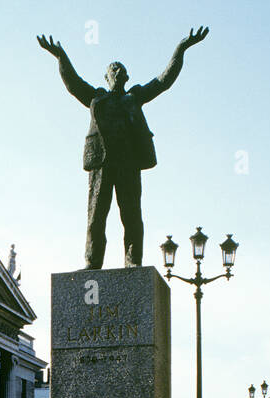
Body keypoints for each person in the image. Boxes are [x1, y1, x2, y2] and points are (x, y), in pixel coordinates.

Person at [37, 27, 209, 269]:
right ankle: (92, 262)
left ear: (126, 78)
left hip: (128, 163)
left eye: (122, 71)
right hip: (102, 163)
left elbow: (164, 81)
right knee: (96, 218)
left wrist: (181, 48)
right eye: (113, 71)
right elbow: (73, 83)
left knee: (131, 216)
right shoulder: (96, 97)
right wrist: (60, 56)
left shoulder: (134, 98)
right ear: (107, 78)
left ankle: (133, 262)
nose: (118, 73)